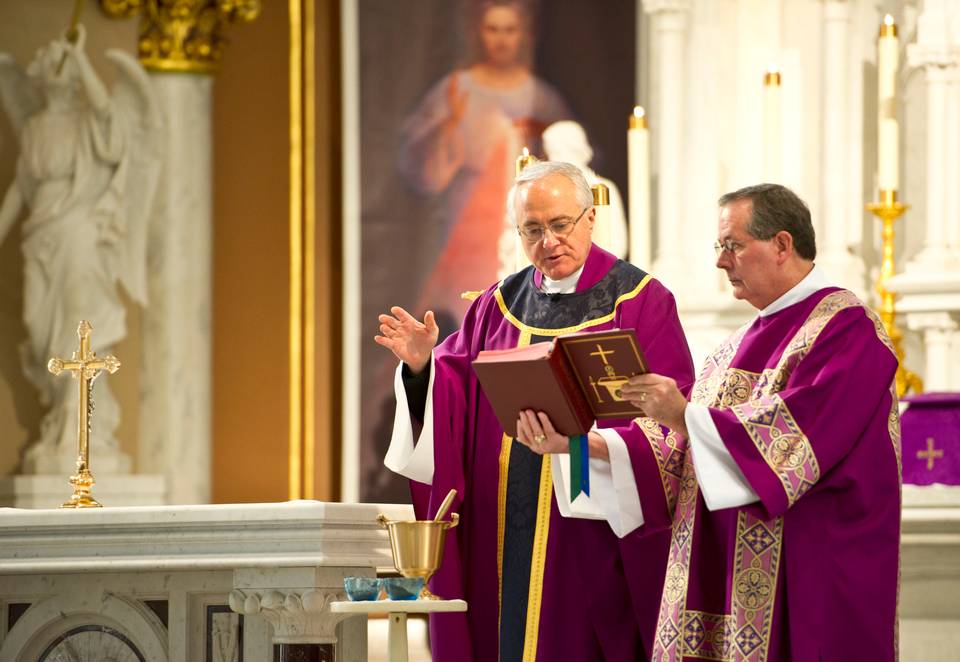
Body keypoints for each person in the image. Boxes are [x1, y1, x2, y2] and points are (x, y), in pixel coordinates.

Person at [521, 183, 900, 660]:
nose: (721, 262)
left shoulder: (847, 329)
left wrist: (680, 413)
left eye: (732, 245)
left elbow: (792, 442)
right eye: (719, 247)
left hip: (809, 582)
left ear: (782, 245)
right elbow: (682, 455)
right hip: (722, 585)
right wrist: (579, 445)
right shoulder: (733, 346)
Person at [376, 161, 695, 661]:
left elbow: (673, 424)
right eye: (532, 230)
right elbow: (453, 396)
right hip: (498, 525)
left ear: (590, 218)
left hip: (589, 528)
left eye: (560, 224)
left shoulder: (641, 302)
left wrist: (582, 446)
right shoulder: (497, 305)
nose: (548, 242)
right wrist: (422, 369)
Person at [0, 26, 159, 472]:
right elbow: (21, 188)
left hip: (79, 235)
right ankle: (64, 419)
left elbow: (112, 126)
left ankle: (81, 426)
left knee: (78, 331)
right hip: (41, 236)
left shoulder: (89, 122)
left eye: (59, 63)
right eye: (50, 62)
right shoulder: (34, 128)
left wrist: (84, 58)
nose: (53, 68)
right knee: (37, 323)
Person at [398, 0, 572, 320]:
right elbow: (421, 162)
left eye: (510, 30)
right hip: (467, 223)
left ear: (524, 35)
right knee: (470, 311)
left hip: (525, 216)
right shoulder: (457, 89)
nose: (501, 39)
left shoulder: (541, 96)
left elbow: (567, 158)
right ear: (478, 33)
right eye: (493, 29)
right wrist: (447, 133)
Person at [542, 119, 627, 259]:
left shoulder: (604, 189)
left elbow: (617, 241)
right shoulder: (548, 192)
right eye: (551, 152)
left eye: (556, 151)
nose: (552, 159)